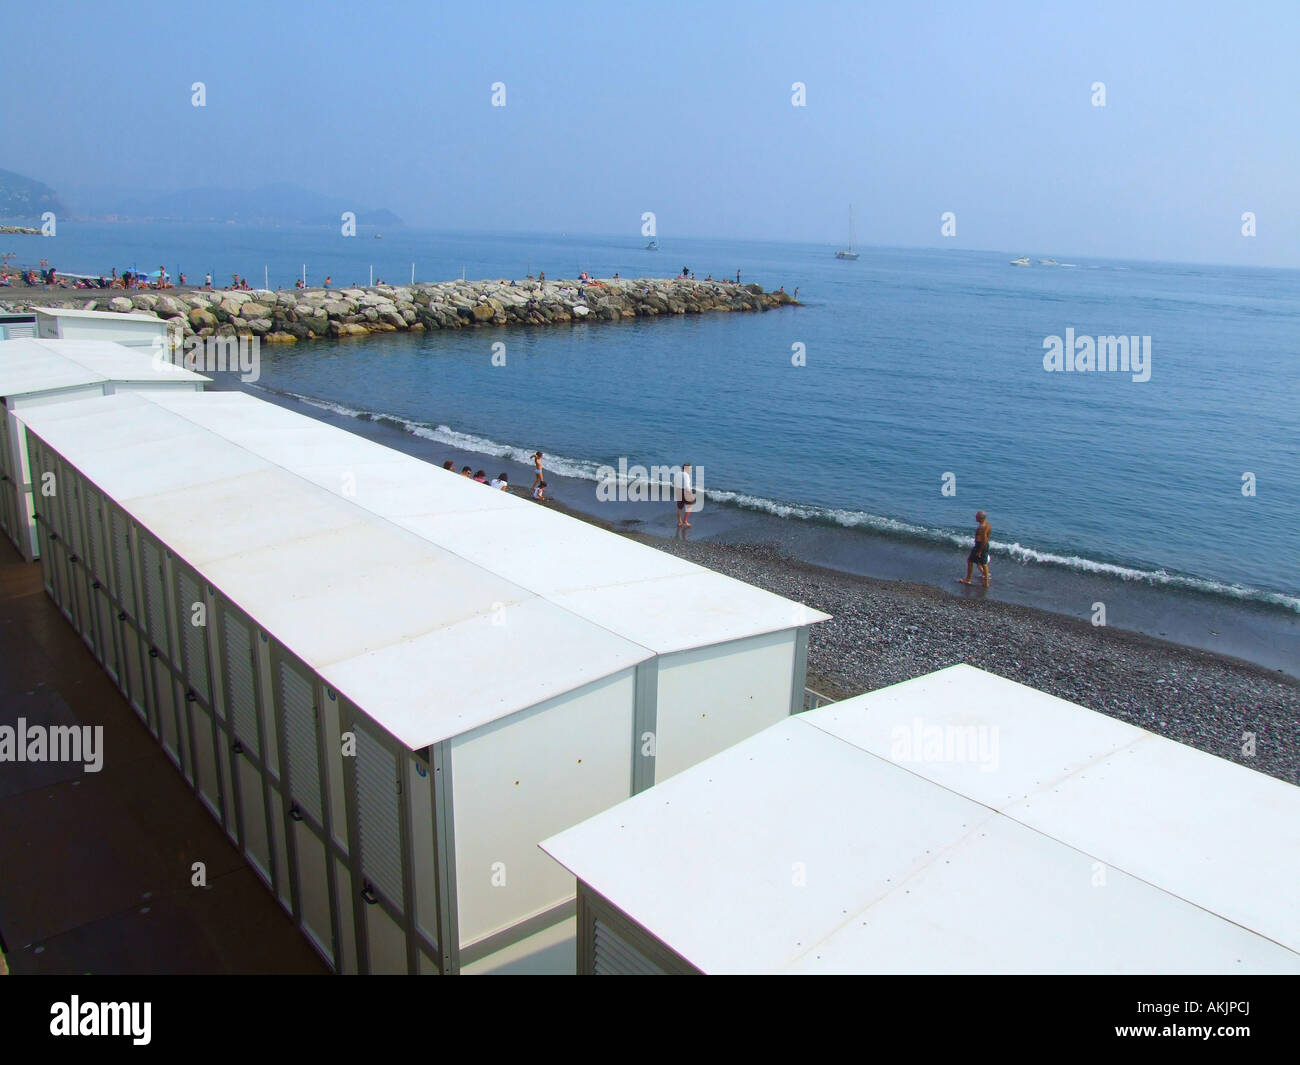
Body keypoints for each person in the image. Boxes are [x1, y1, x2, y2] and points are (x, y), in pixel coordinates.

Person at [960, 511, 992, 587]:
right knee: (981, 563)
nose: (975, 518)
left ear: (981, 518)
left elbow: (984, 539)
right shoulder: (987, 524)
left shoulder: (983, 527)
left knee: (972, 561)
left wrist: (980, 551)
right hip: (982, 545)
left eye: (977, 517)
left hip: (980, 546)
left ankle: (969, 579)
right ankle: (985, 580)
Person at [675, 462, 694, 528]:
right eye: (690, 469)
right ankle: (685, 521)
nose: (691, 470)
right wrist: (691, 494)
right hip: (686, 491)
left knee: (679, 508)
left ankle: (680, 521)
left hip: (678, 491)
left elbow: (673, 483)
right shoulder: (686, 475)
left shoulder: (677, 474)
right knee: (690, 506)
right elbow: (687, 486)